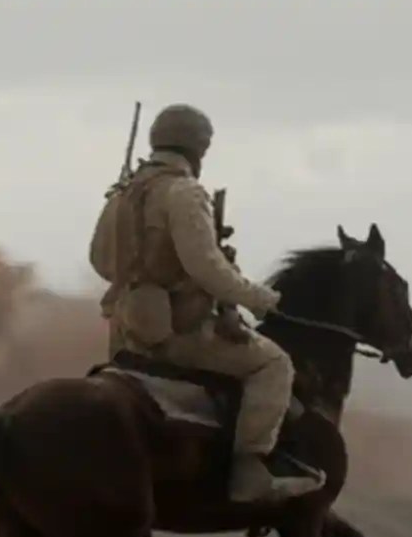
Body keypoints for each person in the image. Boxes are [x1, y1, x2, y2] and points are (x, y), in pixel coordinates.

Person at [89, 103, 322, 503]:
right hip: (178, 332)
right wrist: (261, 300)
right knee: (274, 364)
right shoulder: (184, 192)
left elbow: (98, 260)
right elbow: (208, 269)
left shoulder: (123, 192)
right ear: (198, 147)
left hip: (126, 331)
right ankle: (249, 469)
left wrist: (143, 275)